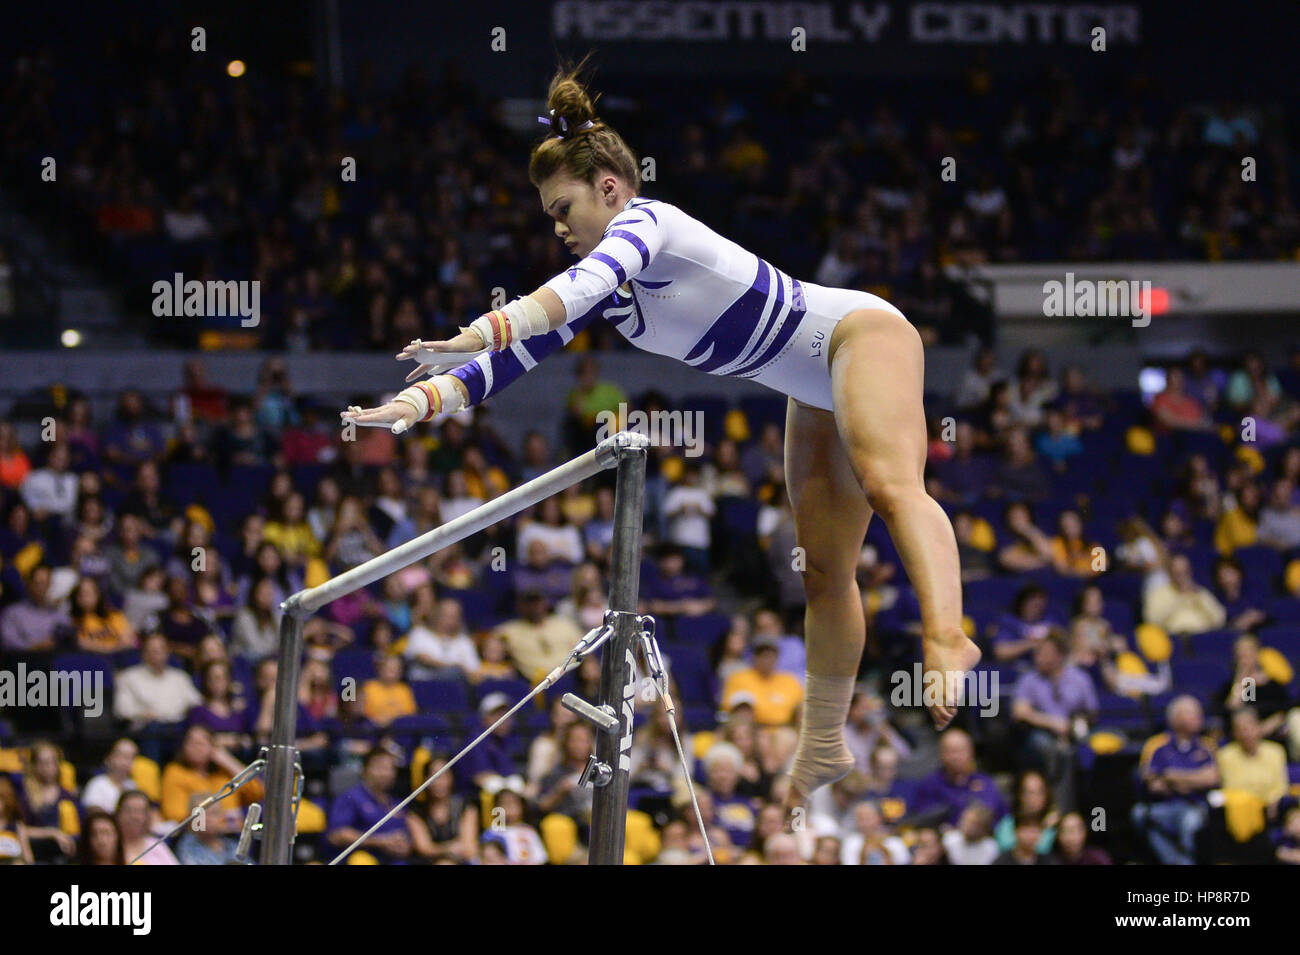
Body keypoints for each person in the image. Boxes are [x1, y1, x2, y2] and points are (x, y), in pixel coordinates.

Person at [340, 59, 982, 814]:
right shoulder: (606, 288)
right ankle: (822, 739)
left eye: (562, 207)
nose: (557, 227)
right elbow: (512, 360)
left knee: (889, 482)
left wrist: (474, 328)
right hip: (806, 385)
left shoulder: (650, 223)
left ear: (610, 189)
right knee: (822, 573)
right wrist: (412, 405)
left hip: (857, 334)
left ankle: (947, 634)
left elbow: (560, 297)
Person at [1131, 696, 1218, 865]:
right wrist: (1192, 780)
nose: (1199, 716)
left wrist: (1171, 775)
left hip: (1195, 805)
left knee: (1189, 821)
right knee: (1139, 814)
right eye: (1191, 713)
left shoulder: (1206, 745)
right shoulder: (1158, 746)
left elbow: (1211, 778)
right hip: (1165, 805)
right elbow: (1154, 784)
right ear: (1175, 718)